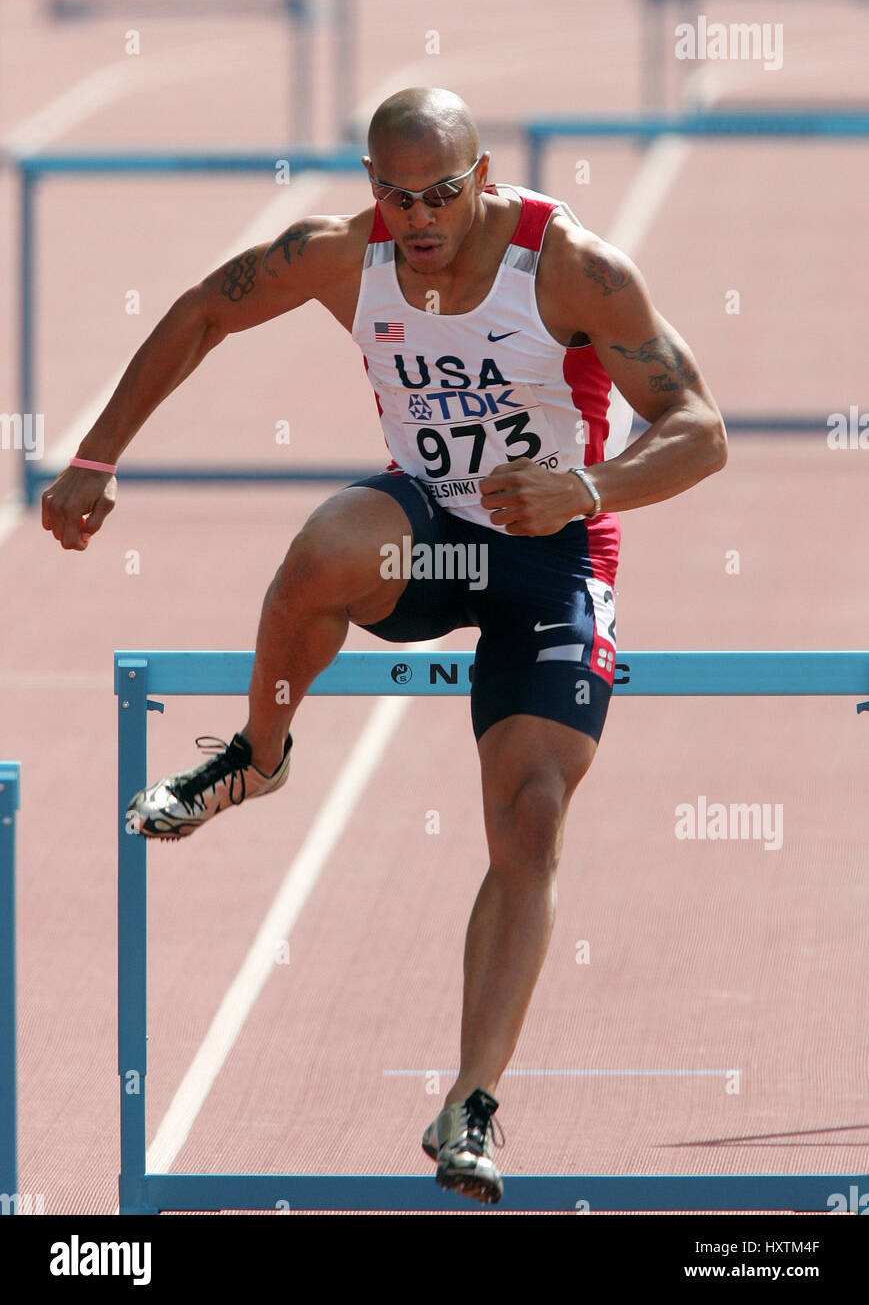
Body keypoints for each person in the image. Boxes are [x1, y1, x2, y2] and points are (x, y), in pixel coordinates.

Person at [41, 87, 727, 1205]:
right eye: (393, 194)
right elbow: (201, 311)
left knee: (533, 814)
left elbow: (700, 428)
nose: (416, 219)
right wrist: (96, 458)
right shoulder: (334, 255)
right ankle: (257, 756)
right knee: (321, 548)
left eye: (440, 194)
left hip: (550, 555)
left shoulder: (572, 268)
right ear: (369, 184)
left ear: (483, 174)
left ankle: (470, 1098)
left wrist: (583, 485)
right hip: (432, 531)